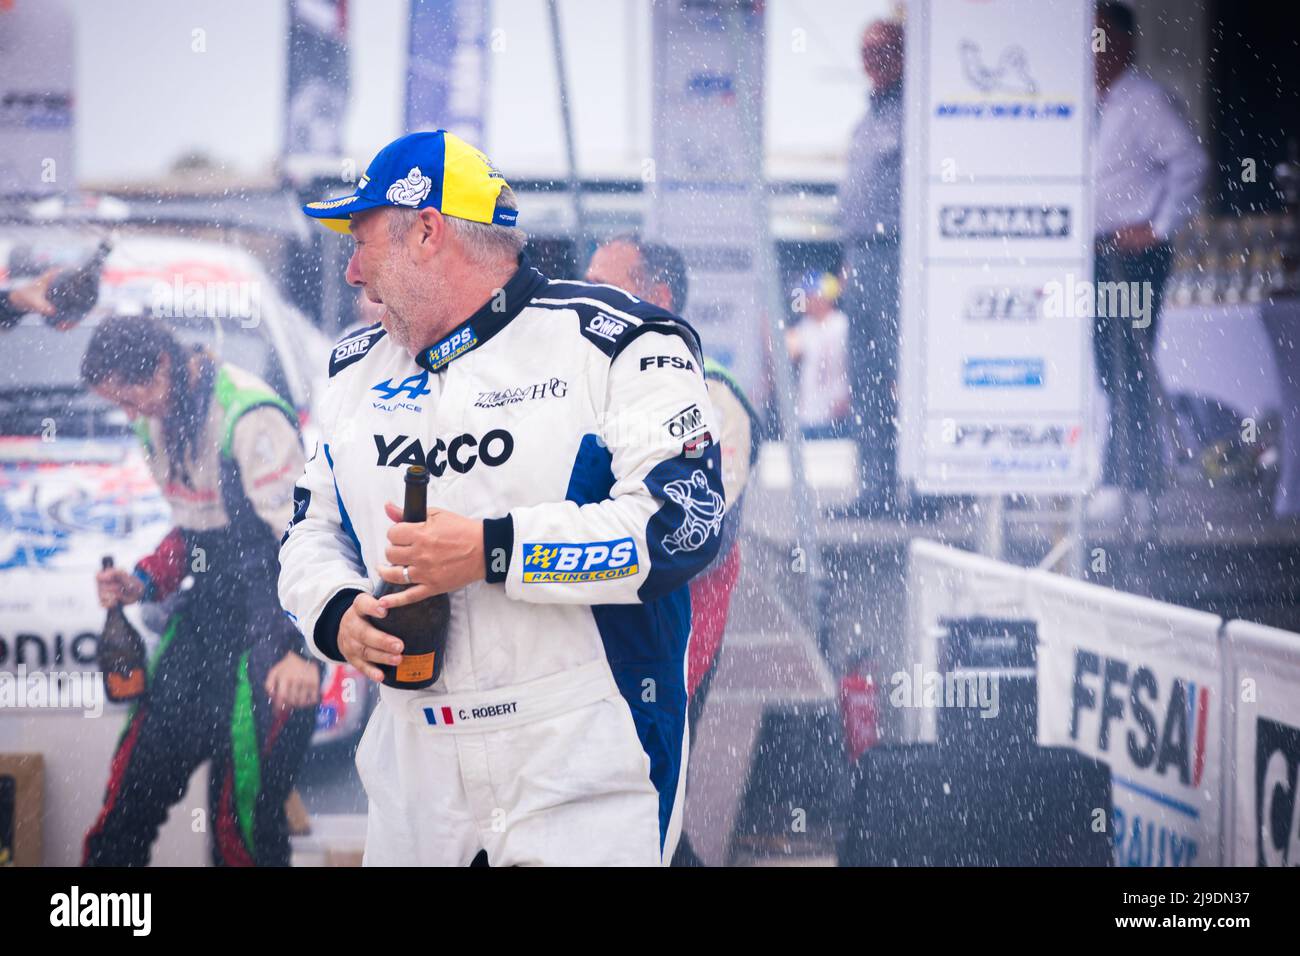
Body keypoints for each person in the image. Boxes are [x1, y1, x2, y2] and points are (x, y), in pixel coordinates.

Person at [280, 131, 727, 866]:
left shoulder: (617, 342)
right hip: (414, 777)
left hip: (581, 769)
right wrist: (333, 612)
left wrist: (494, 550)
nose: (354, 272)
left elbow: (682, 524)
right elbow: (308, 532)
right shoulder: (351, 370)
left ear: (426, 231)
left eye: (363, 242)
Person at [81, 316, 320, 866]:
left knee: (241, 835)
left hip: (271, 630)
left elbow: (309, 542)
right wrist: (142, 580)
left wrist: (301, 650)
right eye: (120, 405)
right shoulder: (154, 419)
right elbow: (199, 531)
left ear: (163, 364)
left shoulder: (250, 415)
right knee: (124, 806)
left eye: (134, 397)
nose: (133, 415)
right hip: (203, 624)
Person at [586, 236, 760, 867]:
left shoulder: (713, 395)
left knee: (650, 792)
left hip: (675, 625)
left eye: (604, 283)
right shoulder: (594, 379)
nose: (588, 298)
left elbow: (699, 536)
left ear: (656, 297)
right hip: (608, 610)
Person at [1091, 1, 1207, 517]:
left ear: (1123, 43)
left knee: (1129, 360)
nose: (1093, 49)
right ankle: (1125, 469)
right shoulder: (1087, 102)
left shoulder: (1144, 100)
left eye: (1102, 38)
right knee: (1106, 361)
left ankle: (1134, 476)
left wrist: (1158, 227)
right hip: (1096, 252)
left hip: (1133, 255)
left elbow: (1190, 161)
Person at [837, 18, 906, 516]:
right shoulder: (867, 117)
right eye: (866, 51)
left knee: (901, 371)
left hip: (898, 256)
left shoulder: (913, 113)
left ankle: (917, 489)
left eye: (882, 50)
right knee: (864, 376)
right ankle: (876, 488)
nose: (872, 60)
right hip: (860, 257)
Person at [785, 270, 852, 439]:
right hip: (808, 415)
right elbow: (784, 352)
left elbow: (855, 364)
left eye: (809, 295)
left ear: (822, 297)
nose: (805, 301)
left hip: (837, 413)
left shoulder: (842, 324)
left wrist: (848, 396)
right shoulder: (805, 327)